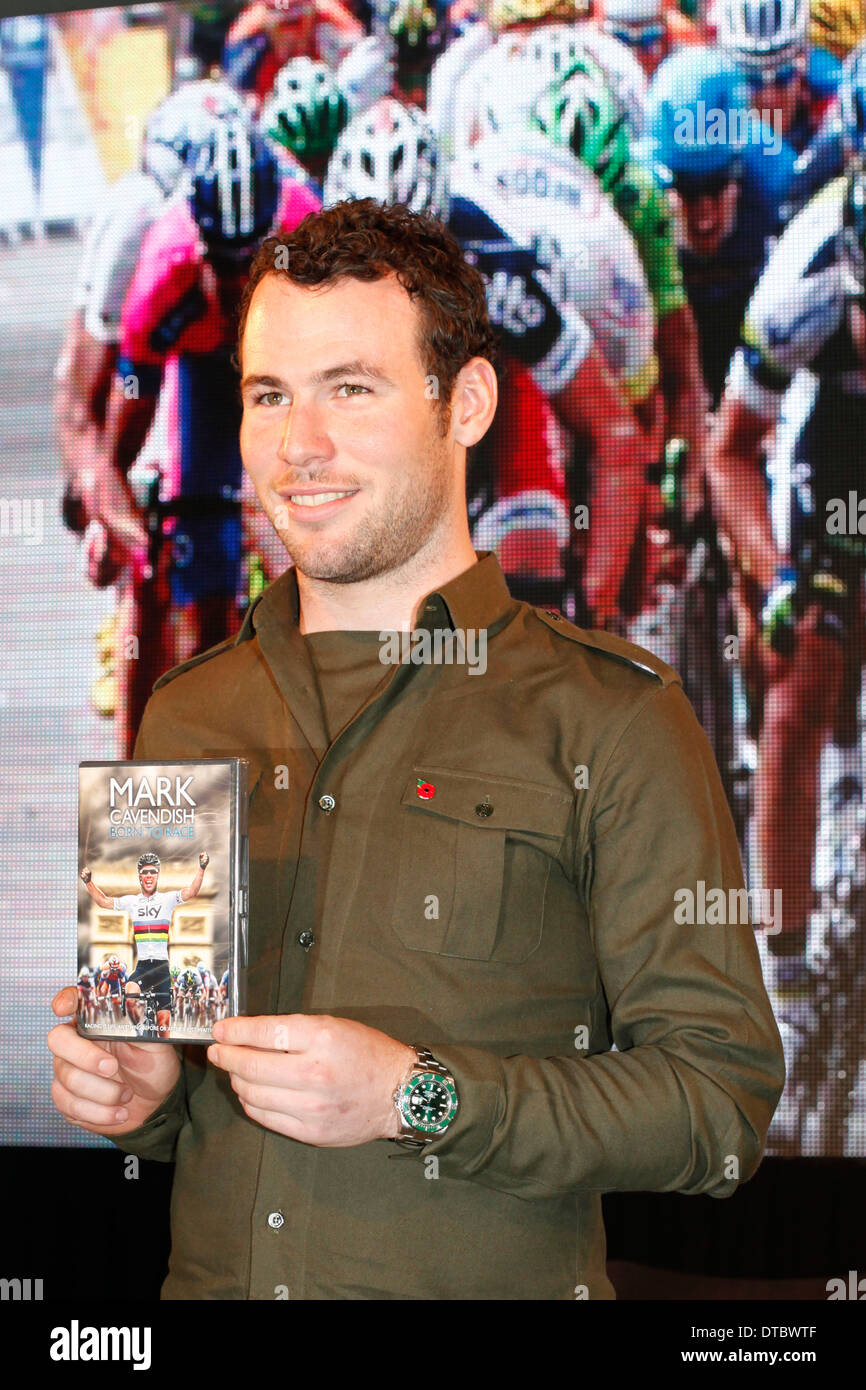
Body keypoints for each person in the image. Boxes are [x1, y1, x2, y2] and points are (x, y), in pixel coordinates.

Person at [49, 197, 784, 1301]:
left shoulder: (614, 717)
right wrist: (136, 1091)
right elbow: (169, 1097)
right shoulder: (182, 715)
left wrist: (415, 1096)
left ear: (467, 402)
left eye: (351, 388)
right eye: (267, 395)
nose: (299, 445)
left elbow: (717, 1108)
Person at [80, 851, 210, 1039]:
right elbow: (103, 901)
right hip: (143, 966)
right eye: (145, 872)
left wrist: (201, 868)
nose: (149, 876)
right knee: (130, 997)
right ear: (139, 876)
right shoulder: (132, 902)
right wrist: (88, 882)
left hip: (161, 967)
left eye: (153, 872)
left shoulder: (168, 899)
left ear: (158, 875)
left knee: (164, 1025)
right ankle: (139, 1029)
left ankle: (166, 1051)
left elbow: (191, 892)